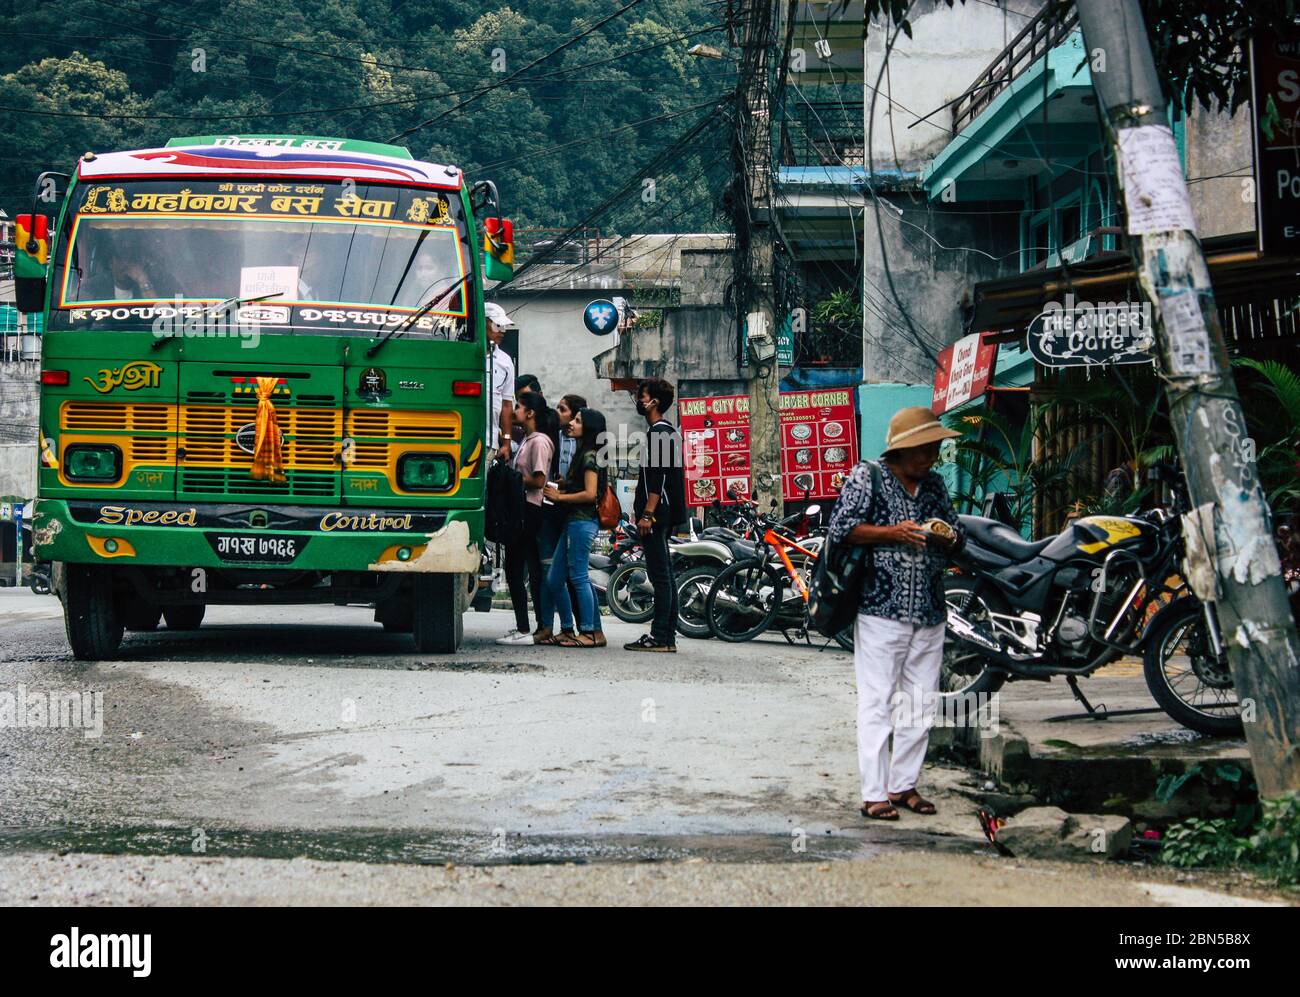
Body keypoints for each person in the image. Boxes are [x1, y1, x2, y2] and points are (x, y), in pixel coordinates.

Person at [827, 406, 964, 822]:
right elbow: (841, 528)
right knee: (877, 701)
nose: (932, 457)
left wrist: (947, 538)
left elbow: (954, 532)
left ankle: (903, 785)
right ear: (903, 451)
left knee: (920, 704)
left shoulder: (936, 485)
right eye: (925, 450)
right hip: (879, 608)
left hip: (929, 608)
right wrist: (892, 533)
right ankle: (874, 794)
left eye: (935, 449)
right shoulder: (866, 477)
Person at [534, 393, 604, 645]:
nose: (571, 423)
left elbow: (590, 494)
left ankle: (588, 631)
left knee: (579, 577)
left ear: (589, 429)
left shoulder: (589, 456)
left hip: (581, 521)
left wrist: (560, 497)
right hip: (573, 522)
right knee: (554, 578)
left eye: (577, 420)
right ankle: (586, 630)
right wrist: (565, 485)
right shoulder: (581, 455)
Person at [625, 377, 687, 652]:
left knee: (661, 577)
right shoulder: (665, 431)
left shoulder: (660, 431)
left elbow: (658, 479)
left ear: (655, 402)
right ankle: (666, 637)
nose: (639, 400)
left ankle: (660, 636)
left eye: (643, 395)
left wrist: (647, 514)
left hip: (656, 515)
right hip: (663, 514)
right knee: (666, 577)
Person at [497, 392, 556, 646]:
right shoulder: (527, 440)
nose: (515, 411)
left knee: (521, 569)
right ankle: (531, 626)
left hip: (530, 509)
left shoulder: (539, 442)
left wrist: (511, 480)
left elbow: (540, 480)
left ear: (530, 413)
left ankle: (529, 626)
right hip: (522, 509)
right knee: (519, 569)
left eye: (519, 407)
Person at [484, 302, 515, 462]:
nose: (502, 332)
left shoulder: (505, 361)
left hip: (490, 443)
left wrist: (506, 442)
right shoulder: (461, 355)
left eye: (503, 327)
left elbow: (506, 405)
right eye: (497, 326)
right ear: (483, 322)